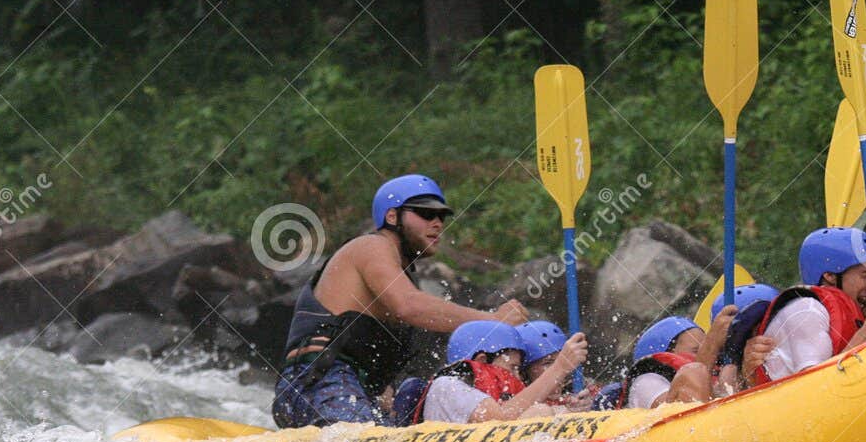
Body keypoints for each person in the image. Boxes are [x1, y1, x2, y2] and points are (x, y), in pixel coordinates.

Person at [272, 174, 526, 428]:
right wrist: (492, 320)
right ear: (392, 217)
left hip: (355, 391)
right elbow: (408, 305)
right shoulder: (371, 246)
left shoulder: (402, 277)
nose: (437, 223)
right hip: (316, 381)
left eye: (441, 217)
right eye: (426, 214)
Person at [747, 227, 866, 386]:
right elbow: (817, 388)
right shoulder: (806, 309)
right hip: (791, 409)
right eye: (865, 275)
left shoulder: (848, 311)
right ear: (830, 276)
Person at [413, 321, 588, 424]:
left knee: (556, 412)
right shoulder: (447, 385)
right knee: (539, 412)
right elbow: (499, 421)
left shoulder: (479, 394)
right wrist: (560, 367)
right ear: (482, 361)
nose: (517, 377)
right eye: (513, 367)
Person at [621, 308, 736, 409]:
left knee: (730, 372)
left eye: (705, 346)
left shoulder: (719, 372)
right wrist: (711, 346)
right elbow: (680, 409)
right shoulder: (645, 382)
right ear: (668, 353)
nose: (707, 352)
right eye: (696, 351)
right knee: (693, 372)